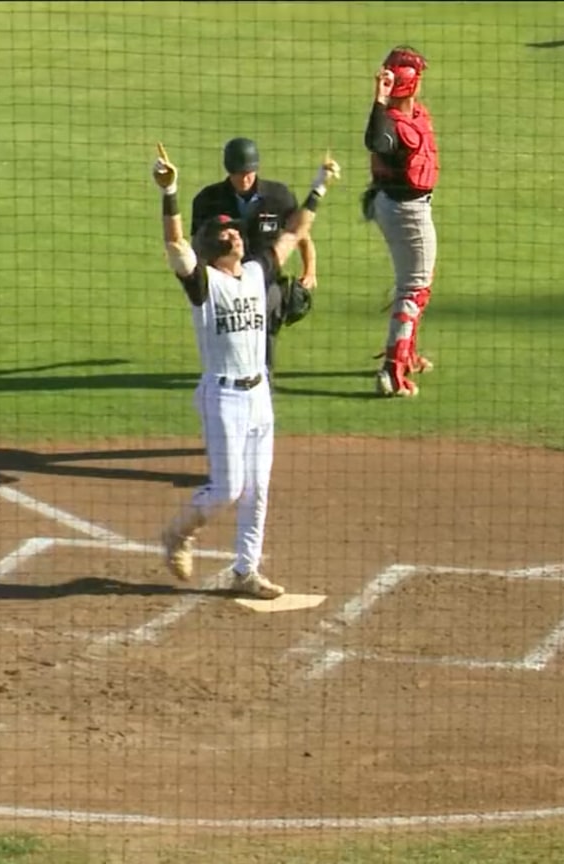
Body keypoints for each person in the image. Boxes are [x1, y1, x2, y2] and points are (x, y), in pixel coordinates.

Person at [151, 142, 340, 599]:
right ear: (214, 248)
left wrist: (318, 186)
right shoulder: (204, 286)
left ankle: (246, 571)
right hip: (223, 397)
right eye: (227, 235)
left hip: (259, 395)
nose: (236, 236)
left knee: (258, 490)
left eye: (236, 234)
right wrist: (170, 190)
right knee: (228, 489)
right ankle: (178, 532)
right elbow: (176, 243)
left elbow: (294, 234)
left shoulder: (257, 272)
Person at [192, 138, 318, 372]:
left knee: (264, 323)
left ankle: (263, 375)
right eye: (239, 173)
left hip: (265, 274)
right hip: (225, 281)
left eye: (250, 172)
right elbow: (198, 246)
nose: (245, 178)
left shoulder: (278, 196)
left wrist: (310, 270)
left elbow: (300, 233)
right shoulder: (207, 200)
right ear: (229, 171)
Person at [363, 45, 440, 398]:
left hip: (398, 205)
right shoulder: (391, 126)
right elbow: (375, 140)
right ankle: (392, 372)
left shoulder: (414, 115)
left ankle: (405, 354)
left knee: (415, 282)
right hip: (405, 211)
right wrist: (379, 100)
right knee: (415, 288)